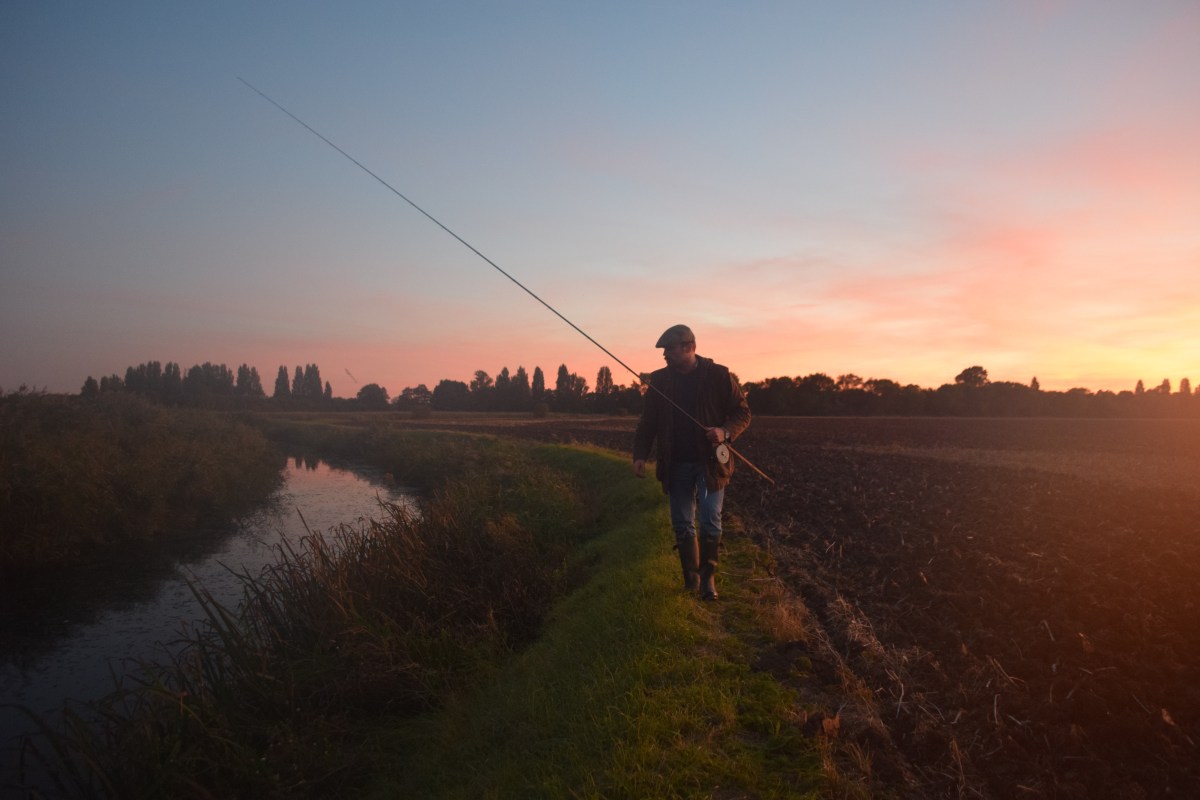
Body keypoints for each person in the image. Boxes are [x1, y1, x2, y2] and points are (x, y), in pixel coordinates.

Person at [632, 324, 752, 600]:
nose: (665, 355)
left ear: (689, 347)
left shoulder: (719, 376)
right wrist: (640, 455)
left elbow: (742, 412)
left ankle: (709, 581)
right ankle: (692, 580)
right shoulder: (659, 381)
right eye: (663, 350)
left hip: (712, 464)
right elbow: (647, 423)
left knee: (710, 519)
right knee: (682, 523)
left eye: (669, 349)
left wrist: (724, 432)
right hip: (675, 464)